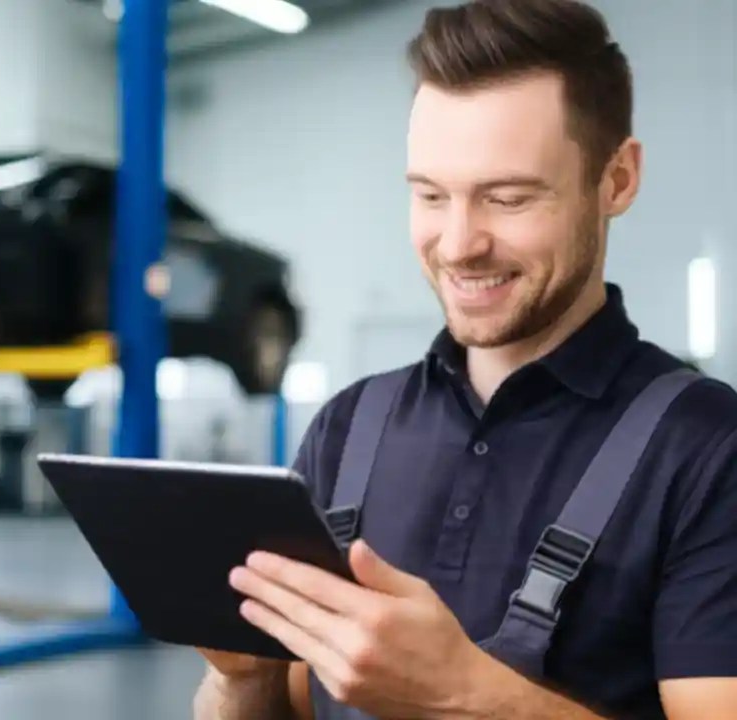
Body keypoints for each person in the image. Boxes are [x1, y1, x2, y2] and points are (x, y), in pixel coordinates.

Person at [192, 1, 737, 718]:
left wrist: (467, 693)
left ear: (617, 180)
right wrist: (243, 677)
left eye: (508, 198)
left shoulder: (708, 450)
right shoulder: (349, 428)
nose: (457, 244)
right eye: (430, 195)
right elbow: (289, 704)